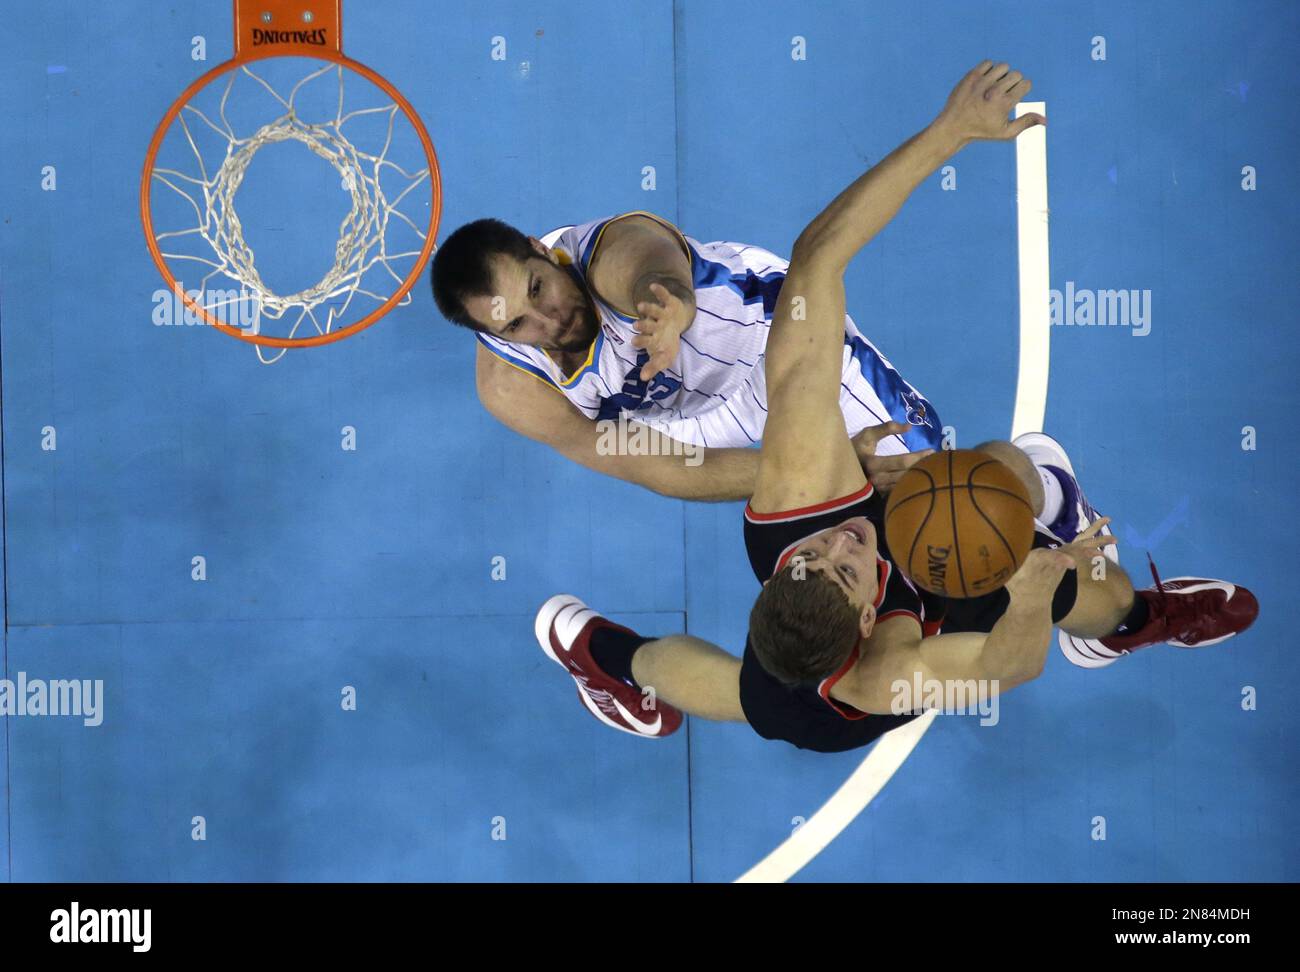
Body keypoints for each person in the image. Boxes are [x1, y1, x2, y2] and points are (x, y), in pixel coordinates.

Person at [532, 61, 1259, 750]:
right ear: (869, 615)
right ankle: (610, 660)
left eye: (812, 555)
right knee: (761, 703)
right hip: (871, 661)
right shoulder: (886, 675)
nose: (842, 537)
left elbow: (816, 259)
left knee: (1020, 503)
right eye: (847, 565)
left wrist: (951, 131)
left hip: (850, 594)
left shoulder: (799, 498)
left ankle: (602, 659)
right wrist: (1035, 596)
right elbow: (1009, 665)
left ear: (784, 573)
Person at [431, 213, 943, 501]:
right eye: (517, 324)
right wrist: (815, 467)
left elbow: (652, 268)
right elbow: (666, 470)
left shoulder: (607, 253)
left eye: (538, 289)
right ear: (492, 335)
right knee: (831, 570)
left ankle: (1024, 471)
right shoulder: (511, 388)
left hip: (770, 343)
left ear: (538, 250)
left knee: (931, 487)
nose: (550, 322)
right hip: (682, 424)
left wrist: (671, 307)